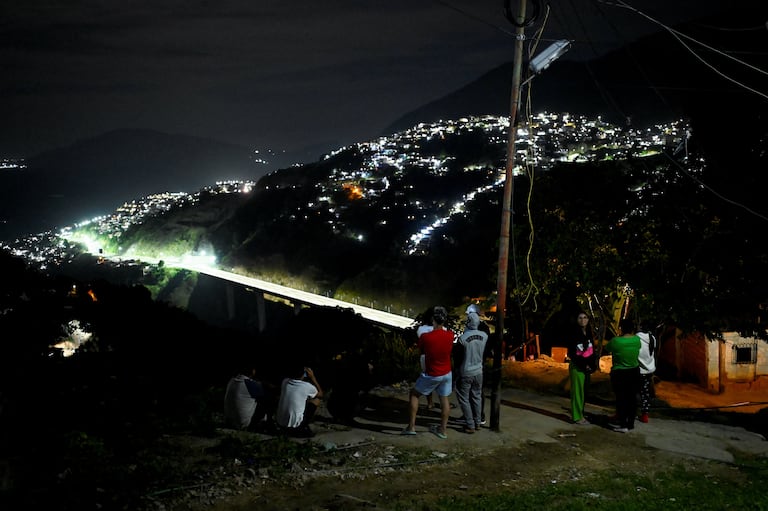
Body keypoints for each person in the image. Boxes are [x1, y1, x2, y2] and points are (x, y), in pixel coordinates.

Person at [402, 306, 454, 439]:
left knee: (414, 394)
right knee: (444, 399)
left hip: (432, 372)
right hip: (447, 372)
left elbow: (421, 351)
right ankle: (442, 429)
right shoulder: (450, 335)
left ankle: (411, 426)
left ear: (433, 320)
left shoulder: (426, 337)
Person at [604, 317, 641, 433]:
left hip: (620, 373)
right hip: (634, 371)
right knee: (632, 399)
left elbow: (607, 348)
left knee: (621, 399)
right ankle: (630, 423)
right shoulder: (637, 340)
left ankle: (623, 424)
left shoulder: (616, 341)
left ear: (621, 328)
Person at [455, 313, 488, 433]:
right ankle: (478, 422)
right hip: (479, 371)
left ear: (468, 322)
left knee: (464, 398)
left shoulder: (463, 339)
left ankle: (470, 424)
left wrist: (456, 370)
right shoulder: (484, 336)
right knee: (477, 396)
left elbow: (457, 357)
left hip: (466, 372)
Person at [275, 365, 324, 438]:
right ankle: (302, 427)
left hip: (280, 423)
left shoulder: (285, 382)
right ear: (303, 374)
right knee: (316, 400)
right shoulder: (307, 386)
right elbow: (321, 394)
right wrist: (313, 377)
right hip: (295, 426)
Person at [567, 311, 597, 425]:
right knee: (577, 392)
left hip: (587, 368)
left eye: (585, 317)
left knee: (584, 392)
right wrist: (584, 364)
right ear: (576, 320)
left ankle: (581, 414)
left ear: (588, 319)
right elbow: (572, 354)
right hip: (577, 366)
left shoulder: (588, 333)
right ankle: (577, 417)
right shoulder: (573, 334)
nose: (583, 320)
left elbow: (592, 351)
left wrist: (592, 365)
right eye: (580, 318)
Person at [637, 323, 657, 423]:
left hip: (639, 370)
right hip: (649, 370)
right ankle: (645, 415)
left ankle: (628, 412)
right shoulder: (652, 338)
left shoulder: (636, 338)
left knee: (632, 392)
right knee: (645, 393)